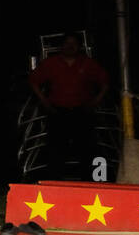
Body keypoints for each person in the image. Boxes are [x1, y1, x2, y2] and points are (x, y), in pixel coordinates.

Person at [28, 33, 108, 180]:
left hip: (82, 112)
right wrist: (44, 102)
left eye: (74, 43)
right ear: (61, 46)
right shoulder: (51, 63)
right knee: (55, 151)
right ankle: (54, 184)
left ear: (79, 46)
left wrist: (96, 101)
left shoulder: (87, 63)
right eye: (67, 43)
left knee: (87, 150)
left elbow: (105, 81)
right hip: (57, 112)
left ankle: (90, 183)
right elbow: (33, 81)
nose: (70, 47)